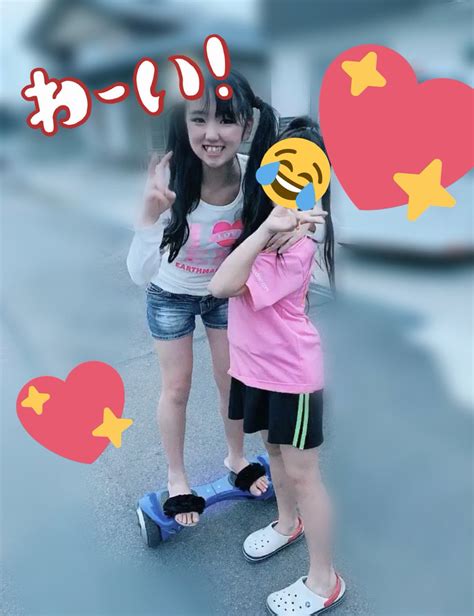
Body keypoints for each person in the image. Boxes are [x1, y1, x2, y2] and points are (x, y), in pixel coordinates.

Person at [127, 70, 311, 527]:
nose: (212, 133)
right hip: (170, 295)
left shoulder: (257, 178)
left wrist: (298, 229)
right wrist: (148, 219)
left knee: (234, 383)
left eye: (226, 120)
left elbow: (296, 218)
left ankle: (236, 458)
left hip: (225, 296)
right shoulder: (168, 181)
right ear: (184, 123)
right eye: (199, 119)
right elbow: (139, 274)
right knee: (176, 388)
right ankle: (177, 479)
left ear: (246, 126)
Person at [208, 117, 345, 615]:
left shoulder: (295, 244)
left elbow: (222, 285)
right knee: (274, 454)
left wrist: (269, 228)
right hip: (256, 370)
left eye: (301, 173)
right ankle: (288, 524)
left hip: (291, 376)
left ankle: (324, 580)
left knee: (305, 474)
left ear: (315, 186)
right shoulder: (269, 230)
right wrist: (266, 226)